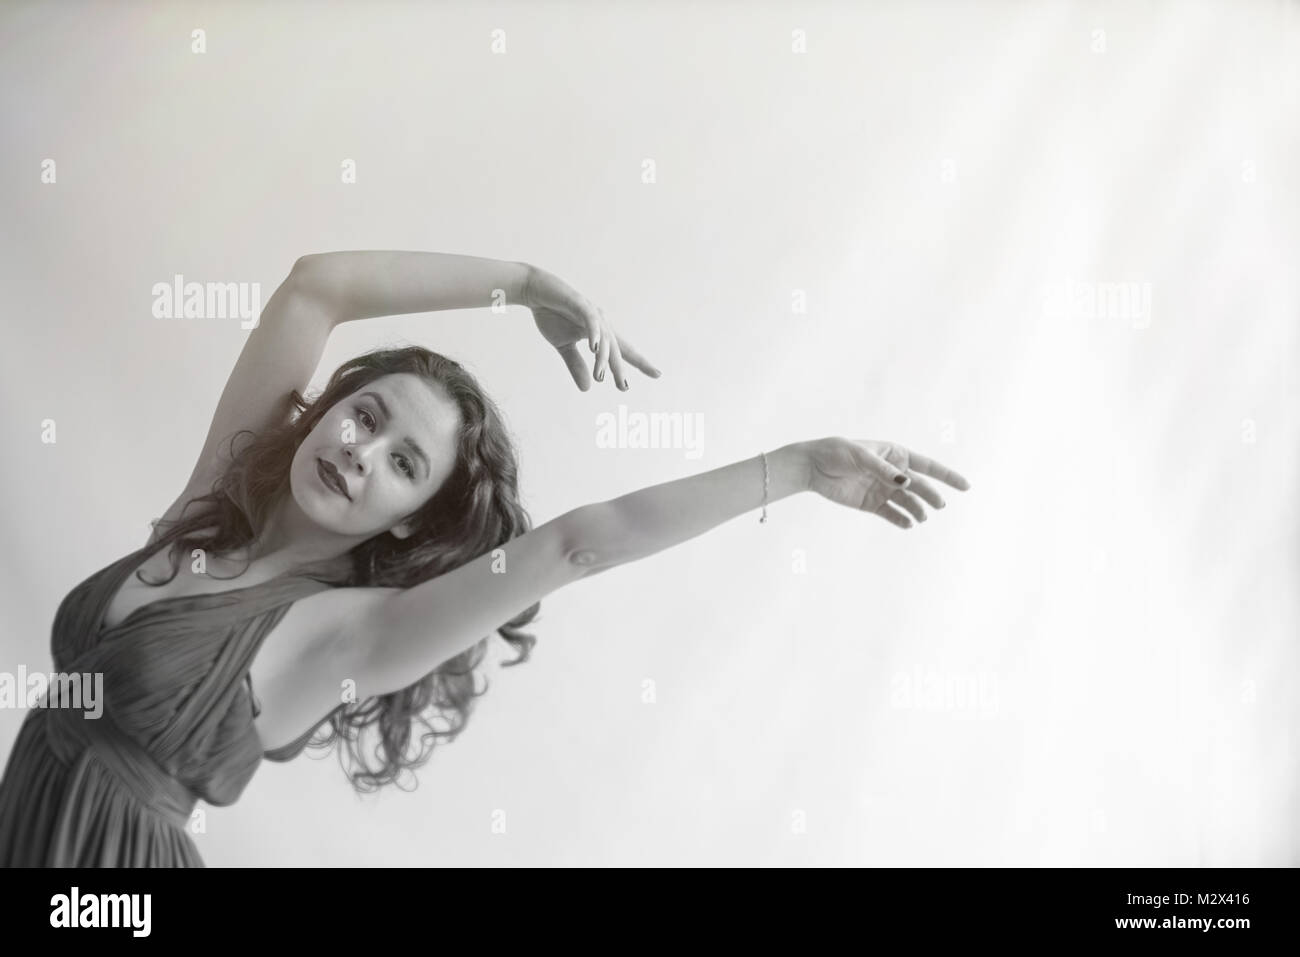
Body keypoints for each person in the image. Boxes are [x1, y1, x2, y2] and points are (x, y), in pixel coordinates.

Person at [0, 250, 969, 866]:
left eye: (403, 463)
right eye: (363, 416)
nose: (358, 453)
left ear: (413, 518)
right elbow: (315, 287)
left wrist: (795, 466)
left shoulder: (346, 637)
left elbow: (580, 543)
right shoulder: (209, 514)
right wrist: (531, 284)